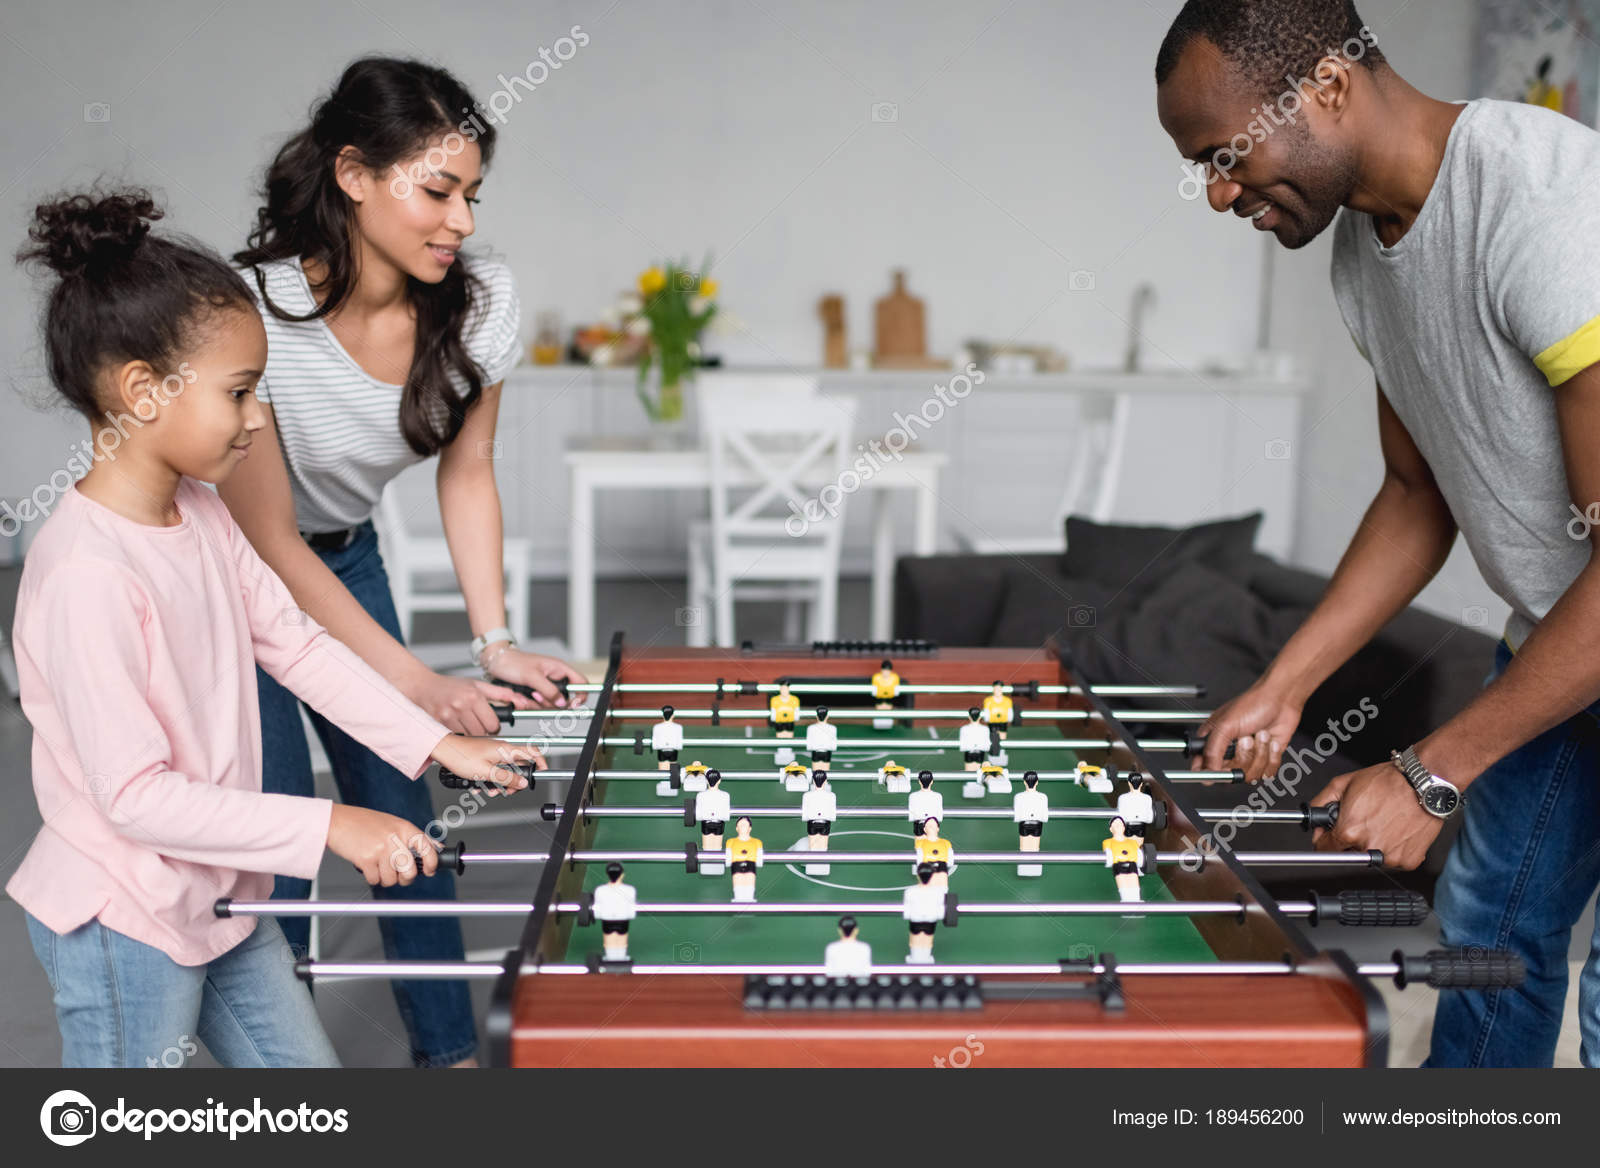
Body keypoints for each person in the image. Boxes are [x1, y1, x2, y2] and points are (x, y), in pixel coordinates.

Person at [1157, 0, 1600, 1067]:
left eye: (1224, 154)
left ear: (1327, 86)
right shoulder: (1363, 253)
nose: (1216, 191)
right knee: (1493, 932)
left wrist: (1429, 774)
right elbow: (1415, 491)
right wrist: (1287, 682)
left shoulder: (1540, 210)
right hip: (1563, 641)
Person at [6, 189, 535, 1067]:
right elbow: (134, 798)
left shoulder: (205, 515)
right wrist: (331, 824)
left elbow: (294, 644)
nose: (259, 419)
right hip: (124, 918)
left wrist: (434, 744)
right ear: (143, 391)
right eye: (241, 393)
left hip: (225, 904)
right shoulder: (85, 575)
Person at [222, 57, 585, 1067]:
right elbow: (270, 545)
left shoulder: (478, 303)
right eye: (436, 190)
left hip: (347, 556)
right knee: (292, 833)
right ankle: (279, 1072)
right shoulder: (251, 311)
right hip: (240, 577)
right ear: (352, 174)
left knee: (404, 810)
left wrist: (493, 641)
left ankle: (448, 1056)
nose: (461, 220)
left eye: (471, 194)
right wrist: (416, 680)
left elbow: (467, 472)